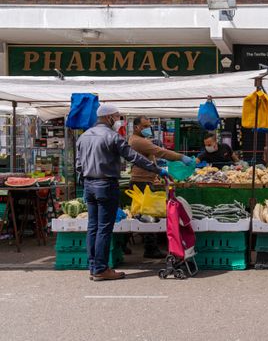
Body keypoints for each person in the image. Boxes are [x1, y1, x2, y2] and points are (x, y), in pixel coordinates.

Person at [76, 104, 170, 281]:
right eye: (117, 117)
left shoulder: (84, 136)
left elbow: (78, 165)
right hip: (105, 184)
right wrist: (158, 170)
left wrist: (86, 179)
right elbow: (133, 157)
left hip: (89, 185)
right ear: (109, 117)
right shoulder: (112, 137)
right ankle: (101, 269)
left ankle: (93, 266)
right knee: (104, 228)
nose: (119, 120)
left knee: (93, 227)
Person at [128, 115, 193, 259]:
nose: (148, 128)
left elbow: (150, 159)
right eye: (145, 126)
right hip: (141, 182)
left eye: (149, 125)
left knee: (141, 213)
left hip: (144, 180)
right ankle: (150, 248)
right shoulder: (138, 141)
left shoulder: (140, 140)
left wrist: (158, 174)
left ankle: (130, 245)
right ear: (136, 127)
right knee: (148, 214)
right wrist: (180, 157)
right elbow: (159, 151)